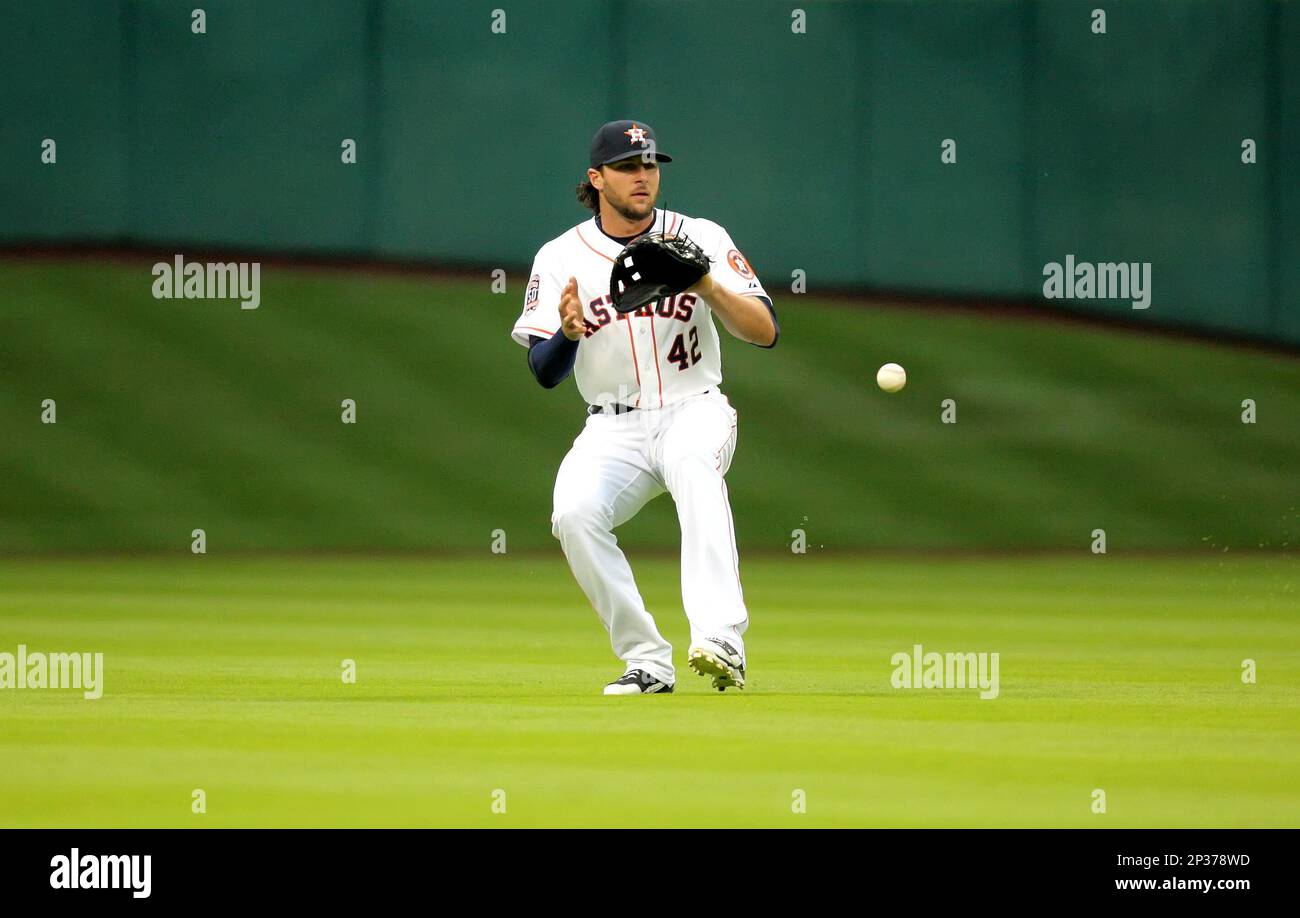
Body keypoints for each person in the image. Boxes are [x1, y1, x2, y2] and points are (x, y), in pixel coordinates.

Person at [509, 120, 779, 694]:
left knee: (692, 466)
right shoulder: (560, 255)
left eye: (650, 165)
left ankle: (721, 638)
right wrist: (568, 334)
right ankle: (648, 660)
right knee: (574, 515)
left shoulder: (700, 235)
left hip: (694, 408)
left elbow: (764, 331)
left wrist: (706, 284)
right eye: (628, 167)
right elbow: (544, 372)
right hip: (613, 427)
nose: (643, 177)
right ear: (596, 178)